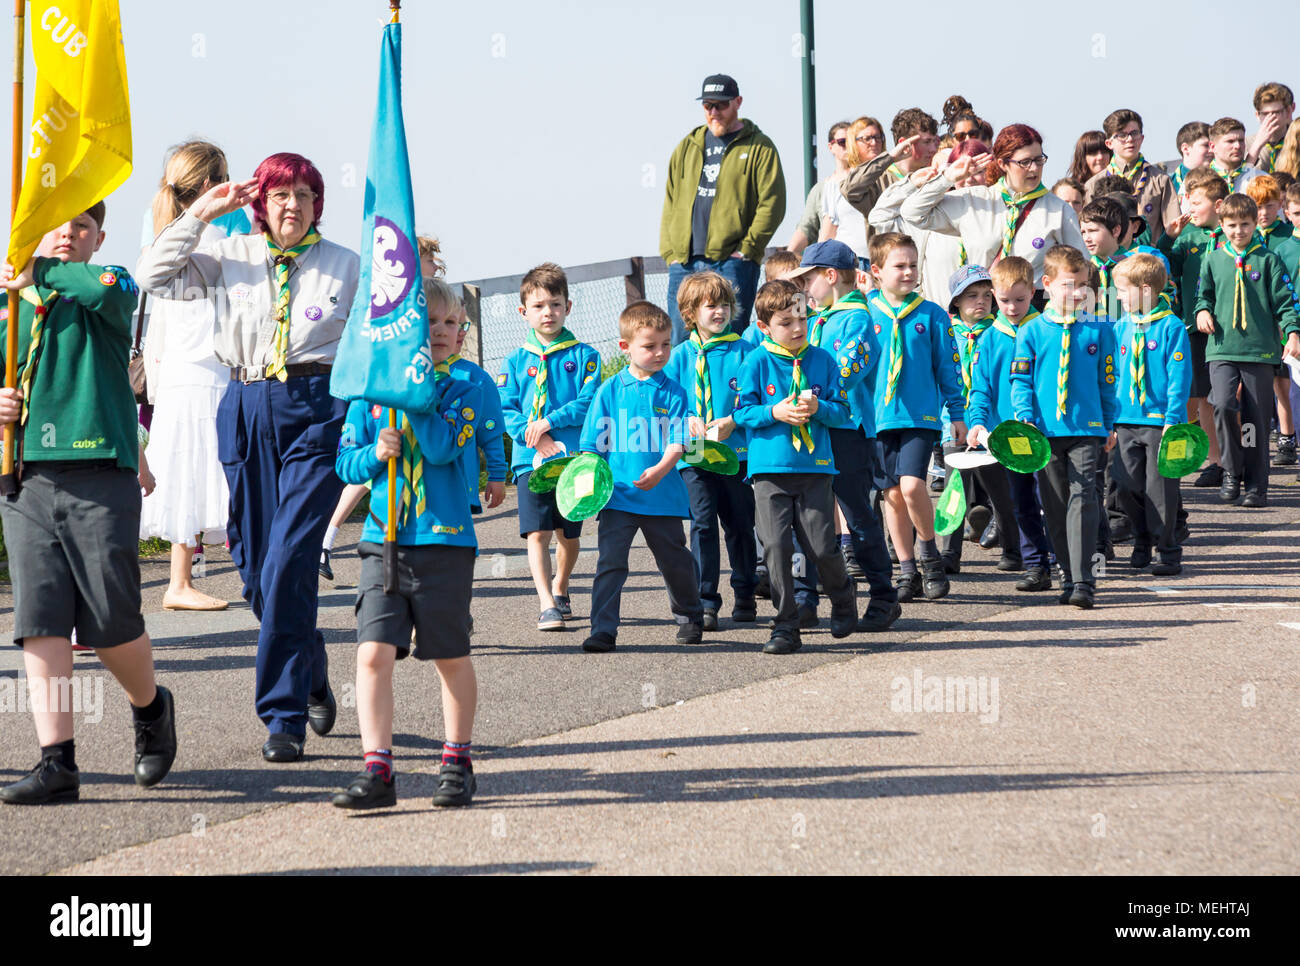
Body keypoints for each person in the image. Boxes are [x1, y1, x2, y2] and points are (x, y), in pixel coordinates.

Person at [136, 152, 358, 763]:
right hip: (245, 402)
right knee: (259, 571)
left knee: (290, 558)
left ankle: (281, 716)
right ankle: (310, 667)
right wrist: (205, 211)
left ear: (318, 204)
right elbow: (155, 275)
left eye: (305, 195)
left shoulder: (346, 264)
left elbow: (370, 347)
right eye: (280, 194)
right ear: (260, 203)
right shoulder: (228, 254)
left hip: (316, 406)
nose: (293, 205)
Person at [0, 203, 178, 804]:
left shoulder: (110, 288)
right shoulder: (9, 306)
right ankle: (58, 762)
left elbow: (102, 288)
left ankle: (151, 707)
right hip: (26, 478)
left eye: (81, 226)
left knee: (108, 623)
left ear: (99, 238)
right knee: (40, 620)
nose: (67, 235)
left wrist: (35, 271)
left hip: (99, 472)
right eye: (55, 223)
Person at [331, 285, 482, 809]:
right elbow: (345, 463)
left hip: (443, 542)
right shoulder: (370, 391)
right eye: (426, 324)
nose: (437, 333)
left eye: (447, 324)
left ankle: (457, 760)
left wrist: (413, 398)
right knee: (372, 654)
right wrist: (374, 452)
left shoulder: (463, 387)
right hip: (383, 539)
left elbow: (442, 447)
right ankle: (378, 770)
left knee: (450, 655)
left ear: (460, 330)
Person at [138, 140, 240, 612]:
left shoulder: (163, 228)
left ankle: (182, 579)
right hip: (206, 368)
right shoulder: (211, 236)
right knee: (209, 469)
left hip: (180, 369)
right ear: (208, 185)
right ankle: (182, 582)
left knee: (190, 472)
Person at [733, 279, 859, 654]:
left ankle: (842, 598)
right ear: (765, 327)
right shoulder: (755, 362)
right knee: (774, 546)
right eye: (786, 322)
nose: (797, 328)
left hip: (815, 468)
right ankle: (785, 624)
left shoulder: (822, 360)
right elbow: (742, 412)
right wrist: (774, 411)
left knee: (822, 547)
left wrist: (821, 409)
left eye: (802, 319)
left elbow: (844, 413)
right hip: (769, 471)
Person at [577, 301, 704, 653]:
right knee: (610, 562)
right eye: (649, 346)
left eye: (665, 344)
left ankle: (690, 615)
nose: (660, 352)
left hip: (662, 496)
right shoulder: (608, 391)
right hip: (617, 497)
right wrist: (588, 486)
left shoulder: (676, 392)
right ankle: (603, 629)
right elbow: (591, 448)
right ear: (625, 347)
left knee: (674, 560)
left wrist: (662, 469)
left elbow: (681, 441)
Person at [789, 240, 900, 631]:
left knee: (857, 514)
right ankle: (807, 598)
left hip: (847, 432)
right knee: (807, 515)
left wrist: (805, 392)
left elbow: (845, 373)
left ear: (830, 276)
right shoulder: (819, 319)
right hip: (814, 428)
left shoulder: (857, 320)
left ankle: (884, 595)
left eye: (809, 279)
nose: (805, 288)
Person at [1010, 245, 1119, 609]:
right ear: (1047, 284)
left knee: (1084, 498)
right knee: (1054, 505)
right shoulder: (1032, 331)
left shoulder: (1098, 329)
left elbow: (1108, 380)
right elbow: (1021, 381)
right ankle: (1068, 575)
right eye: (1069, 285)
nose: (1078, 294)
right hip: (1044, 430)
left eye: (1084, 286)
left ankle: (1086, 580)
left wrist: (1108, 423)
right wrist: (1024, 415)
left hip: (1086, 428)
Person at [497, 263, 601, 630]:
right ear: (523, 312)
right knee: (537, 532)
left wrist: (551, 422)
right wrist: (536, 436)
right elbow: (506, 409)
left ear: (568, 307)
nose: (548, 313)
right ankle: (546, 603)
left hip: (571, 460)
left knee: (568, 535)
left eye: (555, 304)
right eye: (539, 306)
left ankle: (562, 584)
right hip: (531, 461)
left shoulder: (586, 356)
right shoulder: (512, 362)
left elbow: (589, 402)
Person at [866, 232, 966, 602]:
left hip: (919, 416)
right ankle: (906, 569)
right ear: (876, 271)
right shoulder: (864, 313)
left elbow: (948, 369)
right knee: (890, 494)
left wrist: (956, 412)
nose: (909, 272)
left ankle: (929, 552)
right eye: (899, 266)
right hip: (877, 418)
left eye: (913, 265)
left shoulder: (932, 314)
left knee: (911, 485)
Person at [663, 271, 758, 629]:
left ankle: (746, 591)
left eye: (724, 305)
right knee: (701, 525)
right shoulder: (677, 358)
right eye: (710, 306)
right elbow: (667, 403)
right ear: (690, 313)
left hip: (736, 456)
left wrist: (733, 419)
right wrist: (686, 417)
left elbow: (758, 398)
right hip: (694, 457)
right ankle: (705, 600)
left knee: (740, 525)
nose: (719, 312)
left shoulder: (746, 352)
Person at [661, 73, 786, 344]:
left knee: (729, 339)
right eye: (708, 106)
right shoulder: (687, 146)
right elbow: (670, 200)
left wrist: (747, 250)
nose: (714, 112)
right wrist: (670, 252)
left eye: (721, 105)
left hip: (732, 263)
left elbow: (773, 203)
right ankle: (689, 388)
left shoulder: (759, 147)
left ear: (737, 102)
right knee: (681, 342)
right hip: (684, 263)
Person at [1194, 193, 1300, 508]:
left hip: (1258, 351)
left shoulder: (1268, 259)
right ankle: (1231, 470)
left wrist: (1293, 332)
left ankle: (1256, 484)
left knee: (1254, 419)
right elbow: (1204, 295)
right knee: (1224, 405)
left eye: (1245, 224)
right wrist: (1202, 311)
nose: (1238, 231)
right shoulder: (1213, 259)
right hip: (1223, 348)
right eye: (1231, 225)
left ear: (1255, 223)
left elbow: (1285, 301)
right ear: (1222, 225)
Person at [900, 123, 1087, 300]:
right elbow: (912, 212)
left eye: (1039, 160)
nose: (1034, 168)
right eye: (1025, 162)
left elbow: (1083, 266)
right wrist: (947, 178)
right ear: (1003, 164)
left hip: (1033, 312)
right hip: (982, 310)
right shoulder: (975, 200)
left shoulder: (1058, 210)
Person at [966, 256, 1053, 591]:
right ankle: (1035, 565)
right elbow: (980, 386)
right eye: (1003, 300)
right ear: (993, 295)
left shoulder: (1045, 330)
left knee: (1054, 496)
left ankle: (1077, 552)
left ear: (1033, 292)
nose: (1012, 307)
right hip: (1010, 434)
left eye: (1020, 299)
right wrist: (976, 422)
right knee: (1022, 500)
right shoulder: (989, 338)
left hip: (1046, 430)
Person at [1110, 255, 1191, 576]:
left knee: (1161, 489)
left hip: (1159, 422)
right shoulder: (1120, 327)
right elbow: (1112, 374)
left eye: (1121, 291)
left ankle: (1167, 549)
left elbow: (1179, 376)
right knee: (1125, 484)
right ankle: (1141, 536)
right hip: (1125, 420)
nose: (1117, 297)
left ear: (1144, 290)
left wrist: (1173, 416)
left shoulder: (1170, 326)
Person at [939, 265, 1019, 575]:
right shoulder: (946, 333)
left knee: (1000, 490)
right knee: (953, 489)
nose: (981, 302)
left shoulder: (1001, 332)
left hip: (992, 424)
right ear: (956, 301)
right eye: (972, 295)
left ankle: (1013, 548)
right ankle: (949, 553)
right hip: (955, 422)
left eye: (987, 295)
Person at [1158, 166, 1229, 487]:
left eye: (1195, 202)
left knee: (1229, 398)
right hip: (1195, 328)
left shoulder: (1234, 235)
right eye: (1187, 200)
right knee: (1202, 397)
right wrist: (1168, 237)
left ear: (1218, 204)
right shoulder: (1187, 238)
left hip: (1231, 330)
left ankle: (1236, 456)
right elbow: (1159, 266)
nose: (1189, 209)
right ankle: (1214, 460)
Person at [871, 138, 989, 306]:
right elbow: (879, 216)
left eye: (977, 171)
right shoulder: (929, 216)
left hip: (985, 321)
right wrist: (912, 183)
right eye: (960, 169)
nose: (968, 178)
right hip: (938, 320)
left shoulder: (996, 211)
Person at [1247, 175, 1300, 467]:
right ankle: (1265, 440)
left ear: (1281, 206)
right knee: (1268, 385)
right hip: (1263, 323)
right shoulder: (1249, 236)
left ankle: (1287, 437)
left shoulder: (1284, 236)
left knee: (1287, 383)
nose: (1263, 213)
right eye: (1258, 207)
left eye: (1269, 206)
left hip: (1287, 320)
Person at [1086, 110, 1180, 245]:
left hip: (1149, 259)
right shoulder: (1093, 185)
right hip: (1109, 261)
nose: (1130, 139)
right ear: (1109, 143)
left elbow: (1174, 228)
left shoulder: (1160, 180)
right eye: (1122, 135)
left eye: (1134, 133)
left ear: (1142, 138)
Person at [841, 108, 938, 233]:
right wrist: (890, 157)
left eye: (934, 141)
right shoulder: (881, 180)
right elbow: (850, 190)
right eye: (926, 142)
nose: (932, 149)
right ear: (904, 143)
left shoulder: (933, 176)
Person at [788, 121, 851, 253]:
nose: (849, 146)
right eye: (843, 142)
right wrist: (787, 258)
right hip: (834, 259)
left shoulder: (869, 180)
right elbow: (807, 227)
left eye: (853, 141)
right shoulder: (821, 189)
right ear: (831, 146)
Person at [1078, 196, 1131, 321]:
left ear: (1116, 231)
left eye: (1092, 230)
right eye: (1083, 232)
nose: (1086, 238)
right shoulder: (1083, 270)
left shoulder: (1133, 267)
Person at [1247, 82, 1295, 174]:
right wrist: (1257, 145)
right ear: (1257, 115)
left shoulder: (1296, 140)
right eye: (1265, 114)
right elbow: (1241, 179)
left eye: (1276, 112)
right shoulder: (1246, 144)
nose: (1271, 118)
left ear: (1288, 112)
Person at [1208, 118, 1264, 193]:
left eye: (1241, 140)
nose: (1237, 146)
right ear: (1212, 146)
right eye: (1230, 141)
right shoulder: (1200, 181)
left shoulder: (1260, 180)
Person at [1167, 122, 1212, 196]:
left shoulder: (1224, 180)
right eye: (1206, 145)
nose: (1211, 150)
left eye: (1213, 145)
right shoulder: (1168, 185)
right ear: (1185, 149)